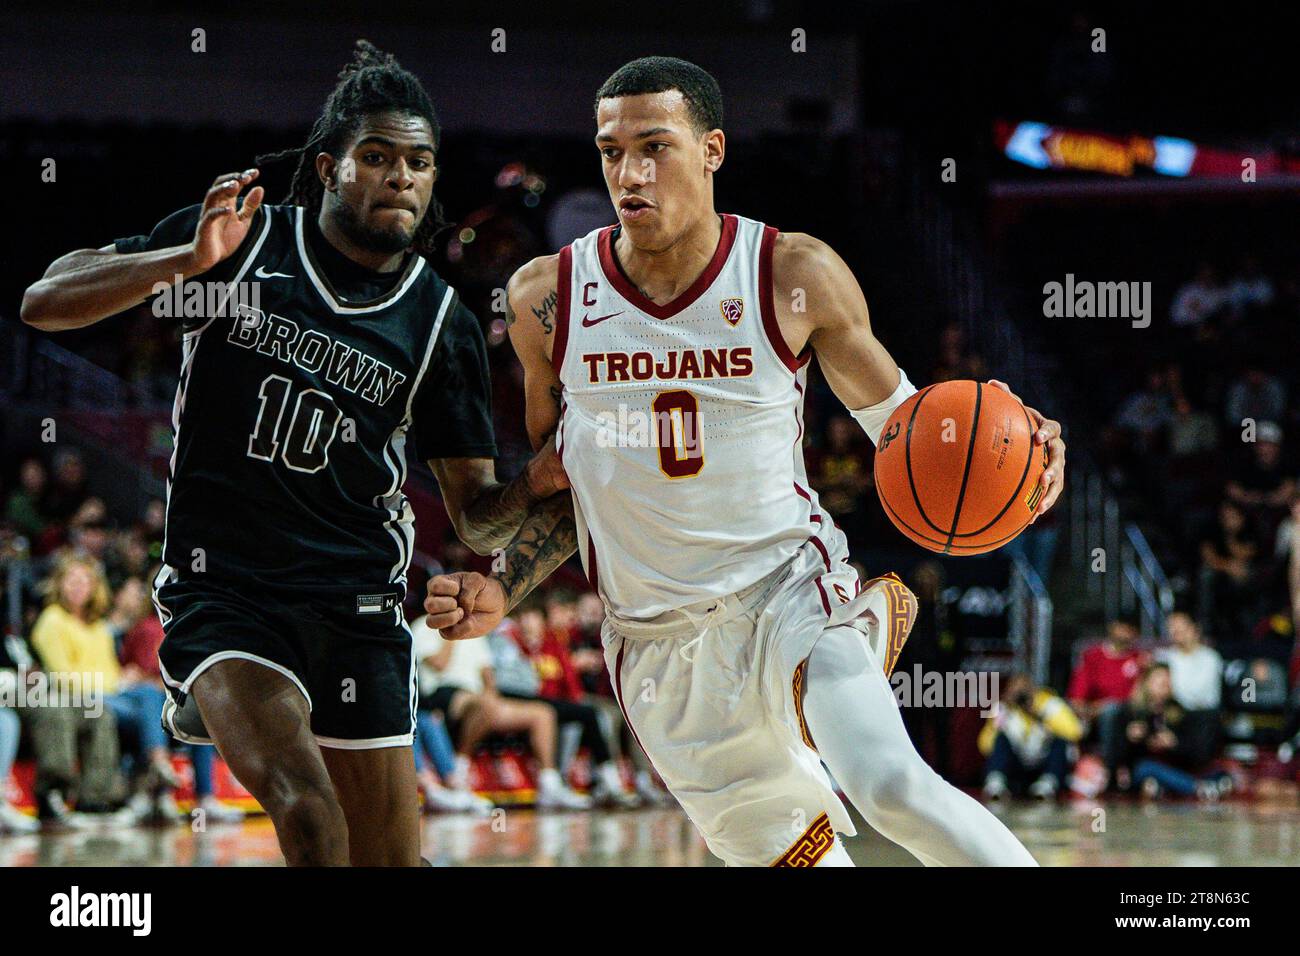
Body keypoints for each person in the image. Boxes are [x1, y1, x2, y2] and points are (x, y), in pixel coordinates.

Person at [425, 57, 1068, 866]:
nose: (630, 172)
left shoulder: (792, 273)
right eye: (610, 150)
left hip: (788, 595)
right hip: (656, 648)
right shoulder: (543, 298)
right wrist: (502, 585)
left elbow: (912, 431)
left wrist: (1019, 447)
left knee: (891, 784)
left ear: (712, 150)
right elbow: (565, 481)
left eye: (654, 146)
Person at [21, 41, 568, 866]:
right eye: (377, 156)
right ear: (326, 168)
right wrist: (184, 263)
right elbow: (44, 300)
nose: (401, 177)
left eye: (419, 161)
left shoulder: (439, 322)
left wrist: (538, 480)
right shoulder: (242, 246)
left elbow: (479, 521)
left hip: (357, 606)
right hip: (228, 593)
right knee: (310, 816)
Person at [411, 616, 590, 810]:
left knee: (543, 713)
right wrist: (451, 632)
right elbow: (438, 664)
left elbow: (487, 672)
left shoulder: (472, 629)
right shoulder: (423, 626)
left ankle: (549, 785)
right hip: (441, 693)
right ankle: (459, 768)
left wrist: (491, 693)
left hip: (477, 696)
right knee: (486, 706)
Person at [979, 673, 1082, 800]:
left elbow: (1075, 732)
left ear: (1033, 689)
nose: (1021, 694)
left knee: (1060, 741)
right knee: (1000, 739)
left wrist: (1038, 714)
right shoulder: (1003, 709)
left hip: (1044, 763)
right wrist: (1001, 719)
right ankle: (996, 784)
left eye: (1024, 690)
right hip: (1017, 765)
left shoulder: (1050, 704)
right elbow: (985, 745)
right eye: (1016, 690)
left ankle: (1047, 785)